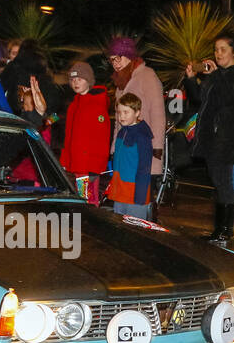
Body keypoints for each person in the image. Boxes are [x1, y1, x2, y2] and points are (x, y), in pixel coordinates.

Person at [185, 33, 234, 244]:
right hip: (211, 136)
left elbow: (227, 97)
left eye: (223, 49)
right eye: (216, 49)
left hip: (225, 137)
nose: (218, 54)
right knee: (217, 181)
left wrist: (214, 75)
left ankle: (224, 230)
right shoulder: (219, 75)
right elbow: (199, 99)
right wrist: (190, 78)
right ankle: (220, 229)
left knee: (223, 182)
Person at [108, 36, 167, 187]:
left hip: (144, 148)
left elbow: (158, 114)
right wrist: (114, 147)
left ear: (128, 55)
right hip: (125, 149)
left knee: (141, 198)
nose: (115, 63)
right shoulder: (120, 81)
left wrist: (157, 149)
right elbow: (118, 121)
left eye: (118, 58)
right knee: (126, 195)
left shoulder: (147, 76)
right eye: (112, 60)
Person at [59, 61, 110, 205]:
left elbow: (102, 137)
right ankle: (84, 221)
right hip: (78, 164)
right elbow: (69, 135)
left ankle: (91, 224)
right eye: (73, 79)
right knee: (82, 197)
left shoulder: (96, 104)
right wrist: (66, 158)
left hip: (89, 164)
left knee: (89, 198)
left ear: (89, 81)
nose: (75, 82)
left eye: (80, 79)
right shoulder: (74, 104)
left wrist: (97, 164)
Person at [108, 92, 154, 220]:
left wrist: (141, 195)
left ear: (137, 112)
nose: (121, 116)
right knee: (119, 224)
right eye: (119, 112)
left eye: (126, 112)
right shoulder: (122, 131)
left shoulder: (142, 136)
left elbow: (145, 166)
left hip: (135, 193)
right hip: (120, 190)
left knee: (135, 227)